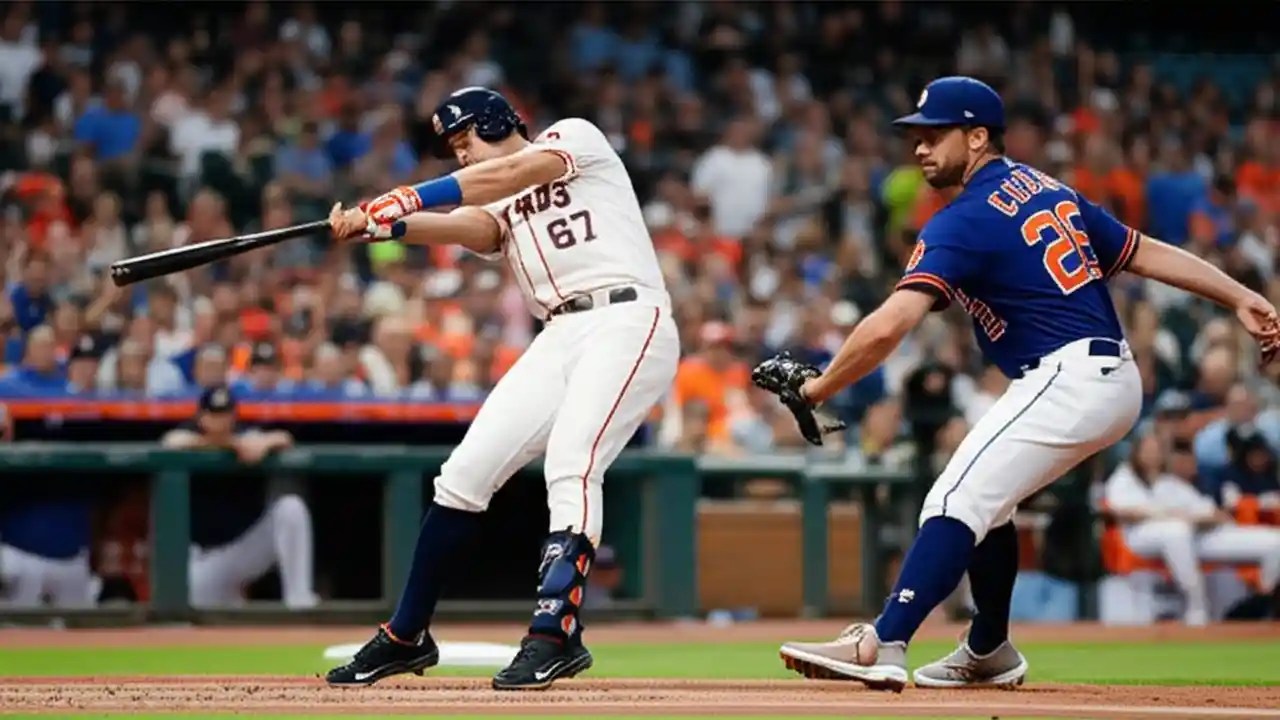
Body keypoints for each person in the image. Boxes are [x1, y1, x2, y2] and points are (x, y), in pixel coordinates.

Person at [753, 76, 1280, 692]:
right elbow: (1142, 251)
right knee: (987, 501)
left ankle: (884, 640)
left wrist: (816, 390)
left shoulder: (965, 220)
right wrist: (1241, 295)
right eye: (916, 137)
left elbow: (893, 321)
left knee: (953, 499)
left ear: (977, 137)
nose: (920, 148)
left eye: (935, 135)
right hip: (1103, 375)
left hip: (1071, 374)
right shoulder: (1044, 189)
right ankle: (988, 648)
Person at [324, 87, 679, 690]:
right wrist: (383, 226)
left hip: (626, 317)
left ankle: (554, 635)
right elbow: (474, 227)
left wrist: (400, 198)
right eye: (453, 148)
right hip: (560, 334)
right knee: (462, 476)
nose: (460, 156)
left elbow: (514, 171)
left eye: (465, 140)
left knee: (571, 464)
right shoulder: (504, 195)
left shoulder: (572, 137)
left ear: (495, 122)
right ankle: (406, 636)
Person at [160, 385, 318, 609]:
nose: (220, 422)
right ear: (201, 416)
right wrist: (230, 445)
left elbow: (284, 438)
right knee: (194, 608)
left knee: (290, 508)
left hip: (246, 546)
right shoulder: (189, 434)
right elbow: (171, 441)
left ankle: (300, 601)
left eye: (225, 414)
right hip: (208, 557)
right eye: (214, 415)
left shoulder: (247, 434)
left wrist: (264, 443)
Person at [1107, 432, 1280, 624]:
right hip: (1143, 536)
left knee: (1275, 541)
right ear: (1136, 452)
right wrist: (1173, 516)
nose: (1152, 455)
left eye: (1156, 450)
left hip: (1198, 535)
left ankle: (1264, 601)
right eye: (1148, 450)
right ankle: (1196, 605)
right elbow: (1121, 510)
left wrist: (1203, 518)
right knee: (1176, 531)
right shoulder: (1124, 478)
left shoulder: (1170, 482)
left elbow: (1212, 513)